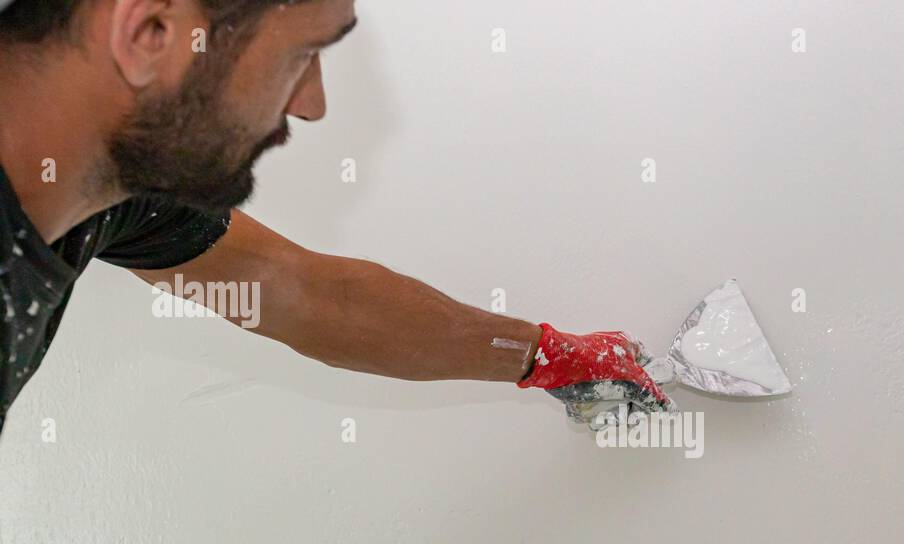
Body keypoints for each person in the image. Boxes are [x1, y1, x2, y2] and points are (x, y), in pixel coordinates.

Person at [0, 0, 676, 439]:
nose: (312, 104)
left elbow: (300, 292)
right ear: (150, 33)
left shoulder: (114, 196)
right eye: (301, 55)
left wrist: (548, 357)